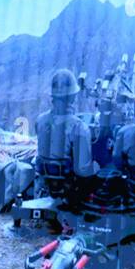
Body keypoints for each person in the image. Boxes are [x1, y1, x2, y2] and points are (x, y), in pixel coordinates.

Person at [35, 68, 97, 201]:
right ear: (73, 97)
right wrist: (97, 167)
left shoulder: (40, 120)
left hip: (45, 181)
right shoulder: (79, 127)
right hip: (70, 188)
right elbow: (82, 170)